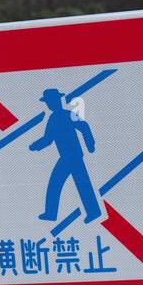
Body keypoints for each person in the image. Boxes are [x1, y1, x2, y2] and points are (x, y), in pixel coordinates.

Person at [29, 88, 102, 223]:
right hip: (71, 156)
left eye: (50, 101)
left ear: (57, 101)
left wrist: (90, 144)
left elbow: (84, 126)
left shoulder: (65, 115)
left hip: (70, 156)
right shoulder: (56, 117)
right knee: (82, 184)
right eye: (48, 102)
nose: (49, 104)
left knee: (56, 183)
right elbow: (48, 139)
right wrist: (36, 145)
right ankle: (93, 212)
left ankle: (51, 214)